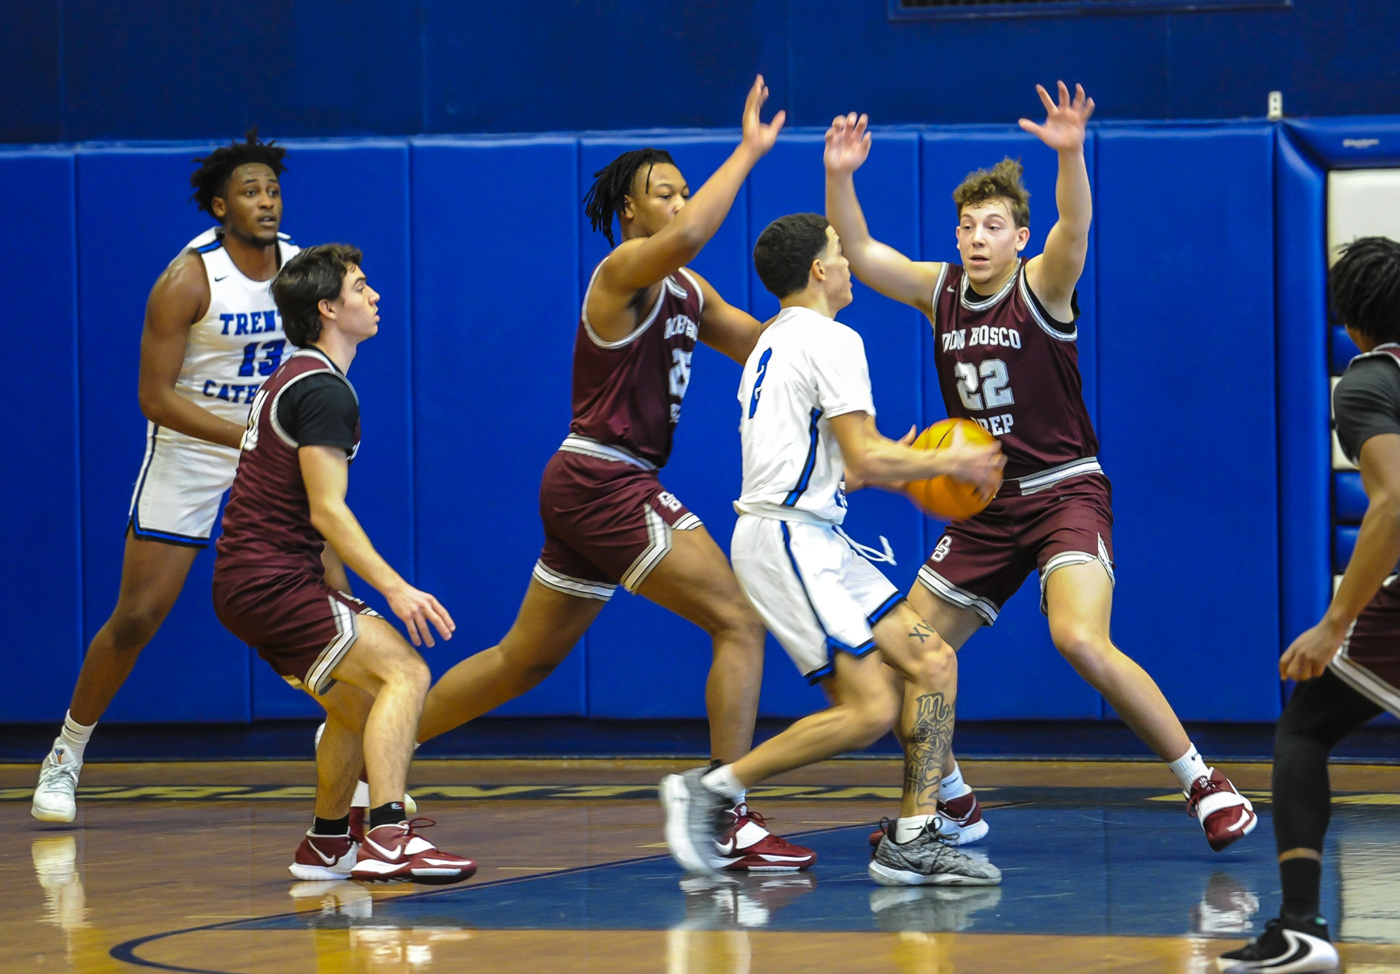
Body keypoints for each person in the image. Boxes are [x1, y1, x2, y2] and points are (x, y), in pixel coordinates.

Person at [823, 83, 1255, 851]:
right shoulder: (941, 290)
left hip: (1063, 491)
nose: (977, 238)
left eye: (994, 226)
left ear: (1020, 237)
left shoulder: (1042, 286)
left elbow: (1077, 226)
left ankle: (1202, 780)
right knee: (896, 665)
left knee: (1080, 640)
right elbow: (858, 252)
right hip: (985, 505)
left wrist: (1069, 153)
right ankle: (950, 796)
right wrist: (841, 175)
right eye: (967, 226)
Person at [411, 77, 815, 872]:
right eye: (664, 192)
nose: (679, 200)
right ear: (631, 212)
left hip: (592, 487)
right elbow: (693, 235)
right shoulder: (621, 274)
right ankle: (723, 811)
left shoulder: (688, 290)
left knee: (522, 662)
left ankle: (375, 735)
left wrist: (820, 315)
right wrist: (750, 151)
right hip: (606, 478)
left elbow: (762, 344)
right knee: (739, 619)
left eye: (682, 189)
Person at [661, 213, 1005, 886]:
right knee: (871, 708)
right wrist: (947, 466)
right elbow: (866, 457)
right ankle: (713, 790)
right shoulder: (832, 338)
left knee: (931, 658)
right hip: (788, 538)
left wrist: (888, 460)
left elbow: (845, 465)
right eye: (841, 252)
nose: (849, 263)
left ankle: (914, 834)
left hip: (814, 533)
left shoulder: (774, 341)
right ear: (820, 270)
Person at [32, 131, 318, 823]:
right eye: (251, 192)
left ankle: (362, 745)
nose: (267, 201)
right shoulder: (188, 279)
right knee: (137, 617)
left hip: (271, 451)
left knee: (317, 600)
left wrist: (299, 431)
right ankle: (66, 754)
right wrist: (245, 433)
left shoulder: (304, 267)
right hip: (192, 449)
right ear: (222, 205)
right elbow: (155, 399)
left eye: (272, 190)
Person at [213, 244, 474, 884]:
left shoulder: (295, 376)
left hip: (257, 581)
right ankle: (389, 836)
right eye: (361, 287)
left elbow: (312, 514)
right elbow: (328, 512)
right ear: (328, 308)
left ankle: (328, 843)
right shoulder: (323, 389)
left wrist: (346, 599)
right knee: (406, 672)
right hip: (269, 578)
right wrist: (396, 590)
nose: (374, 295)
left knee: (355, 705)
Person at [1218, 237, 1400, 972]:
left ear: (1349, 322)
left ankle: (1301, 928)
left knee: (1305, 728)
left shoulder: (1366, 385)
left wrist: (1335, 623)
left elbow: (1392, 503)